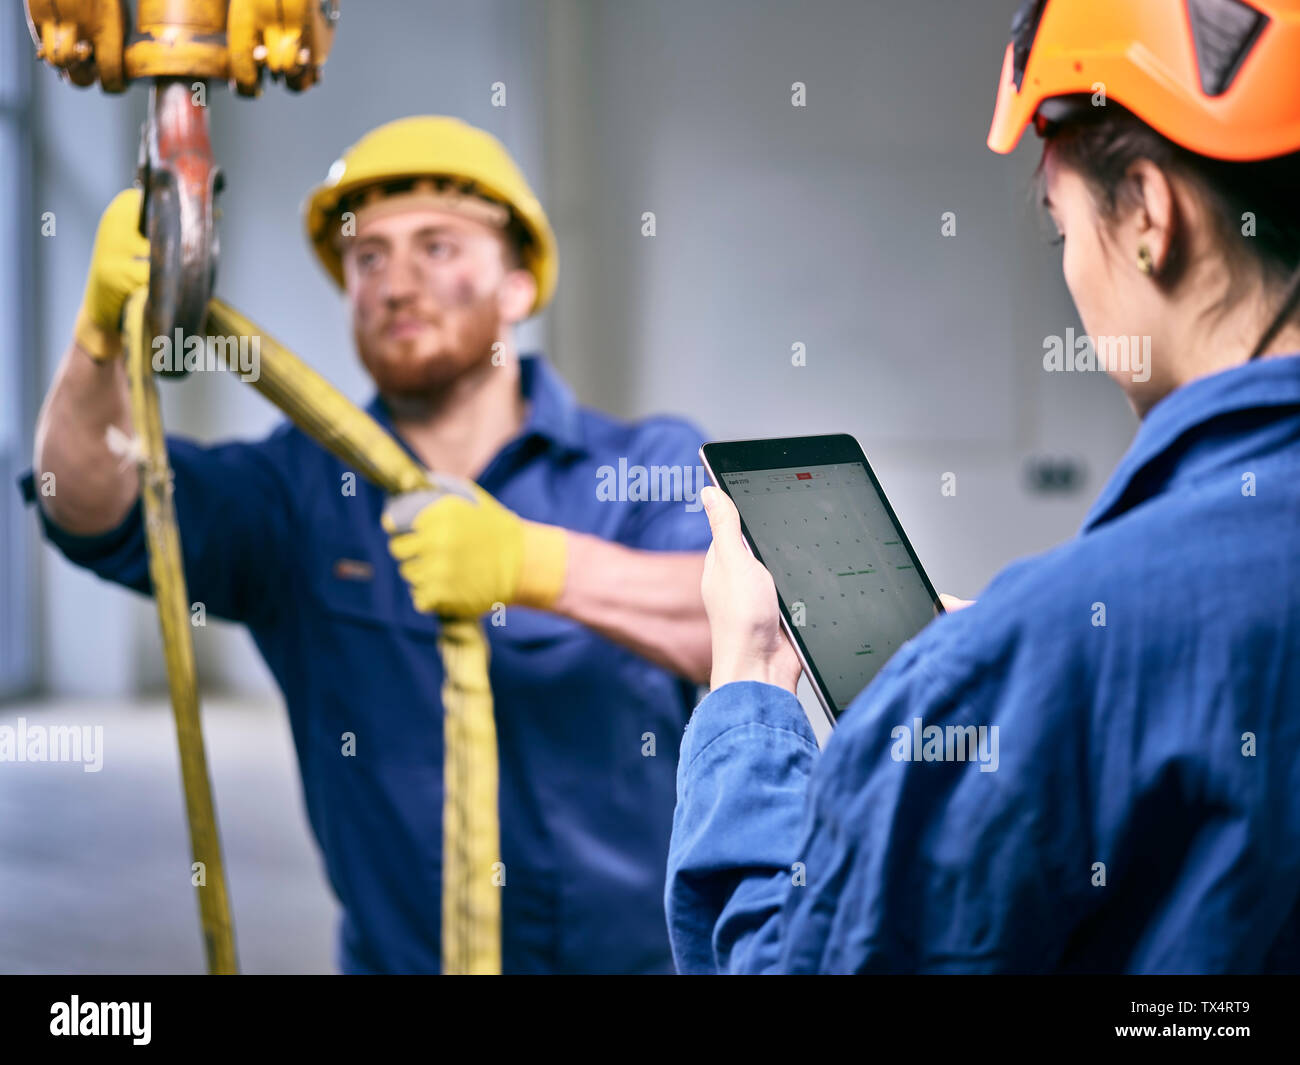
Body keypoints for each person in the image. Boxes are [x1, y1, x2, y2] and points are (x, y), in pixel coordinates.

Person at [666, 0, 1300, 973]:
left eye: (1061, 232)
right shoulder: (1039, 658)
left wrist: (749, 693)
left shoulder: (1047, 654)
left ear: (1144, 213)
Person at [23, 115, 713, 974]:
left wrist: (533, 565)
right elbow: (88, 505)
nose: (396, 282)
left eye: (438, 246)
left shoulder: (647, 466)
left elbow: (736, 626)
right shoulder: (298, 495)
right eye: (368, 256)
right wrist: (96, 345)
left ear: (521, 283)